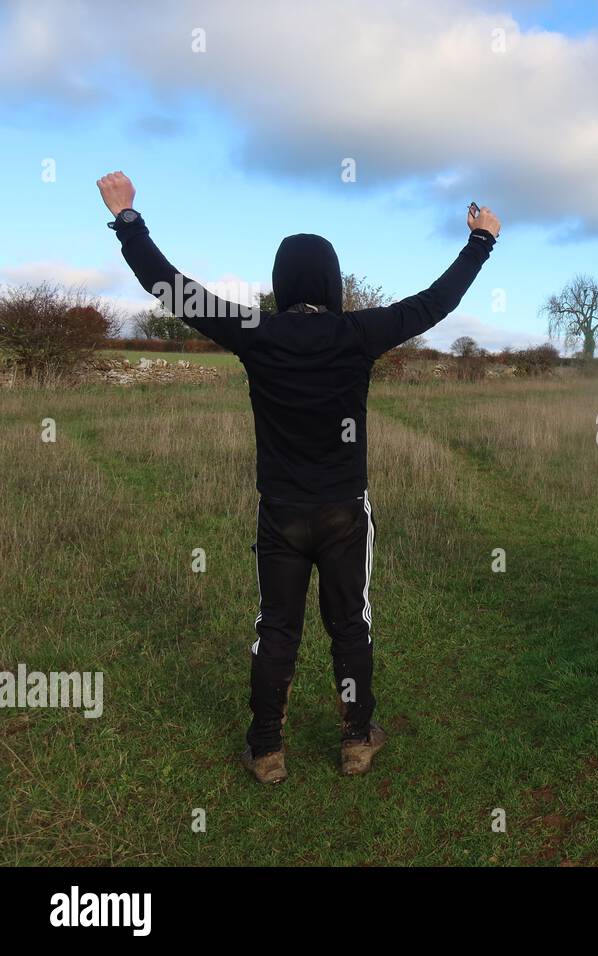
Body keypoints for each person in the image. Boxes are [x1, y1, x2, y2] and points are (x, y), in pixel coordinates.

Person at [97, 171, 500, 784]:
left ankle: (266, 750)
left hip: (280, 512)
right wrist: (480, 241)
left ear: (282, 283)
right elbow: (433, 303)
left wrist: (128, 218)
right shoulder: (358, 333)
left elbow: (173, 290)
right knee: (350, 626)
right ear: (333, 284)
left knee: (276, 628)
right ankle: (357, 741)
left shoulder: (255, 333)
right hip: (342, 511)